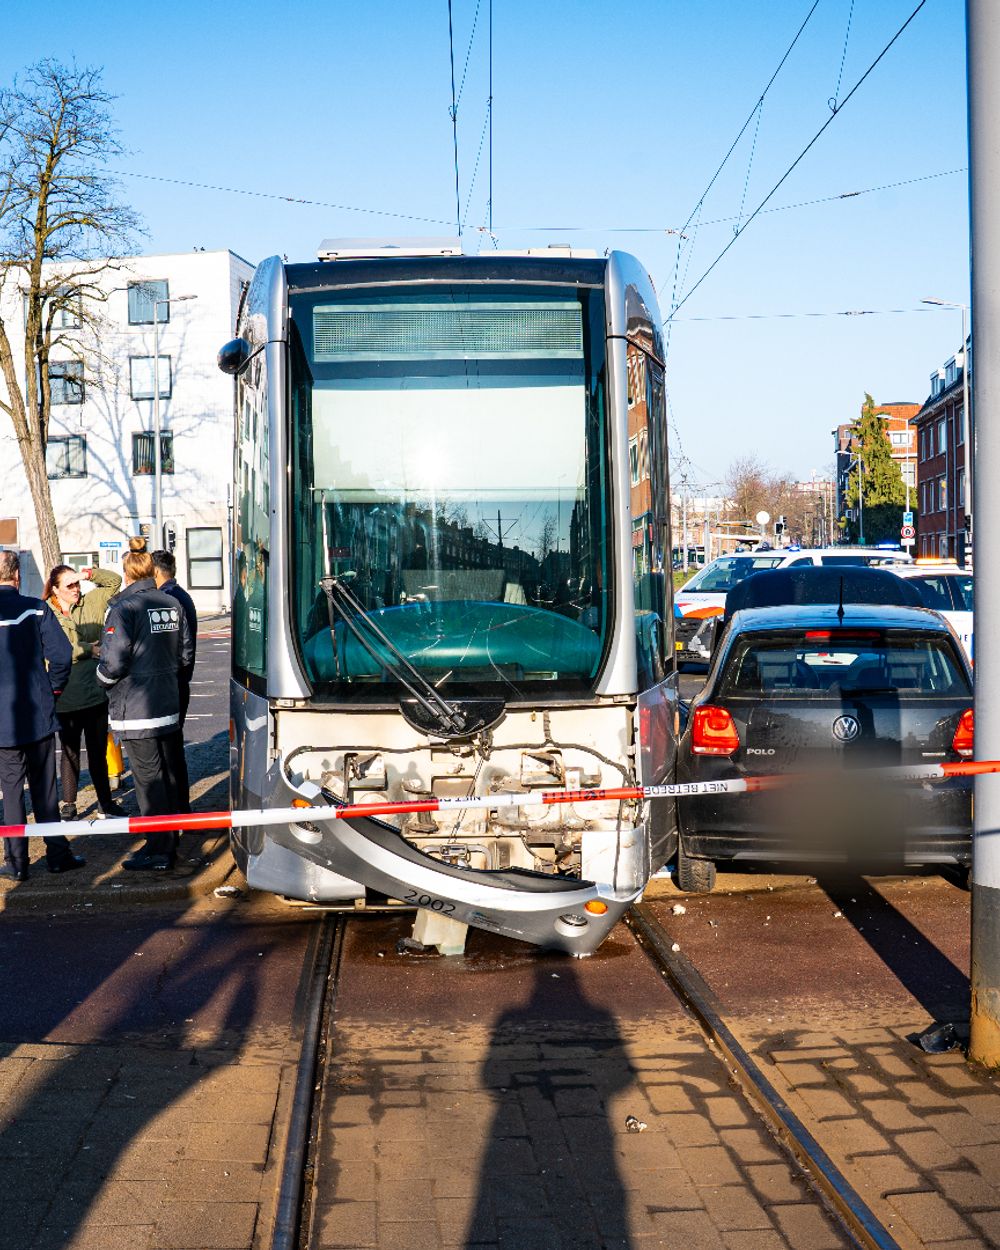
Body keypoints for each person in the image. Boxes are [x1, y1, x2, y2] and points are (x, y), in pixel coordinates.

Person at [97, 545, 194, 870]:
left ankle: (158, 849)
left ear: (127, 573)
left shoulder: (123, 608)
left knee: (147, 778)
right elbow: (185, 654)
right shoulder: (172, 603)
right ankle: (170, 838)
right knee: (165, 772)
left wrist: (103, 680)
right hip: (167, 701)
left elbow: (113, 662)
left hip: (137, 707)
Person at [0, 550, 85, 879]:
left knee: (11, 792)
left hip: (5, 720)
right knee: (45, 789)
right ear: (18, 576)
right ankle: (57, 854)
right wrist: (52, 690)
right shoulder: (36, 609)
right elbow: (62, 655)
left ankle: (18, 864)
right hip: (37, 714)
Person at [43, 563, 125, 820]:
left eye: (77, 583)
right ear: (55, 589)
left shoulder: (91, 602)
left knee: (98, 751)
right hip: (64, 696)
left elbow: (114, 582)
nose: (76, 589)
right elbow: (61, 651)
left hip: (95, 692)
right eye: (69, 585)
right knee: (69, 753)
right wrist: (91, 649)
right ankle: (68, 803)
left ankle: (105, 803)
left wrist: (86, 574)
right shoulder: (48, 612)